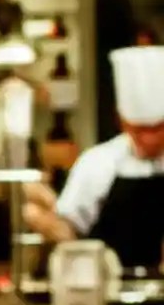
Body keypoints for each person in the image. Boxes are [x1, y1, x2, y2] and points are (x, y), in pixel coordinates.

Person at [25, 46, 164, 271]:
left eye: (158, 129)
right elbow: (69, 228)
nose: (149, 139)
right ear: (122, 120)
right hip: (107, 293)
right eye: (139, 129)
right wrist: (48, 222)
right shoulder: (98, 163)